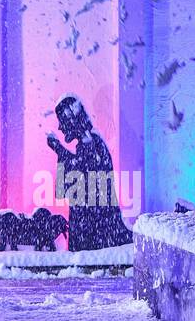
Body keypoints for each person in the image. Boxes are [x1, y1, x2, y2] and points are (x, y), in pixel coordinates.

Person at [46, 96, 132, 251]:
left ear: (72, 119)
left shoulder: (93, 143)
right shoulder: (88, 144)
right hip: (90, 227)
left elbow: (82, 177)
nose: (60, 127)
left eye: (62, 121)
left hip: (94, 230)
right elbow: (64, 188)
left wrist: (59, 149)